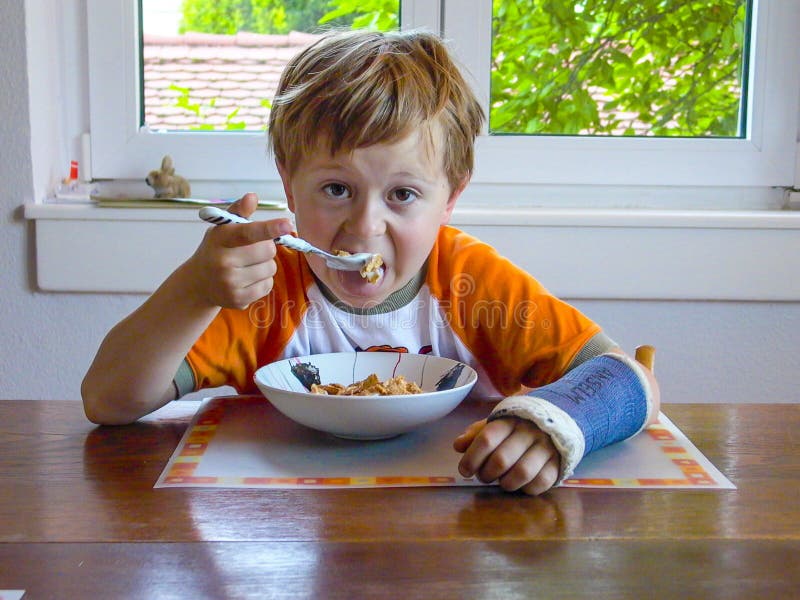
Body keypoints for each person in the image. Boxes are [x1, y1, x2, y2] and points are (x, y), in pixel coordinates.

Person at [82, 29, 659, 495]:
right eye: (335, 189)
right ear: (288, 182)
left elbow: (633, 380)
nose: (363, 227)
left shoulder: (470, 284)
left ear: (451, 196)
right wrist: (194, 290)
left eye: (403, 195)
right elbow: (108, 402)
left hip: (464, 529)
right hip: (281, 523)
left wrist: (553, 421)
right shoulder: (263, 291)